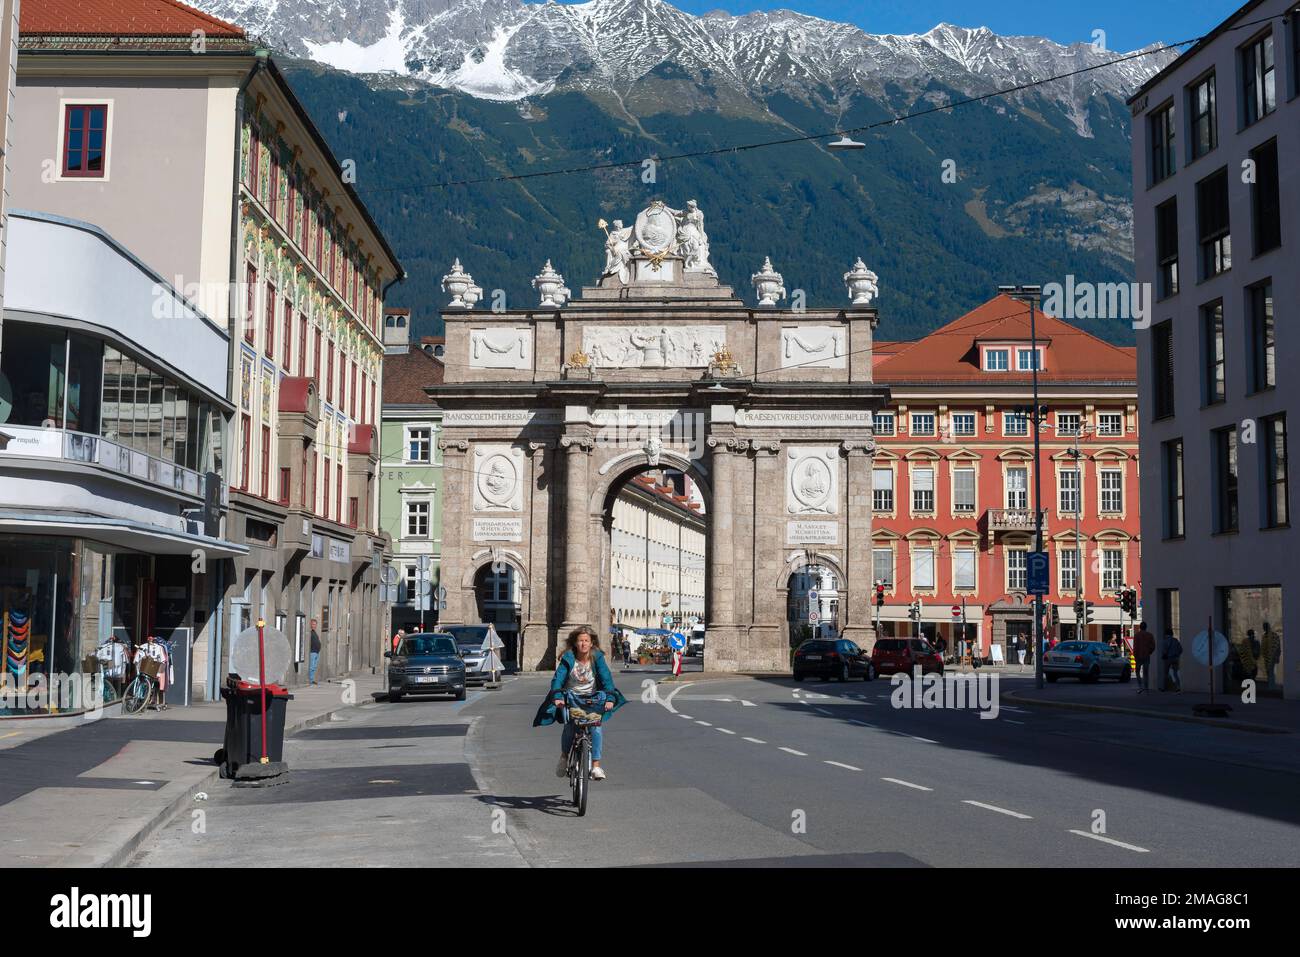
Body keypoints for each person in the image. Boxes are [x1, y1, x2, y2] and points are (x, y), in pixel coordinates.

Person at [533, 625, 627, 781]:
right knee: (569, 726)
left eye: (586, 641)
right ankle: (564, 757)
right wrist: (557, 696)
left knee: (596, 728)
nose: (583, 644)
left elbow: (607, 680)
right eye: (580, 641)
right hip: (572, 698)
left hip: (593, 699)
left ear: (591, 643)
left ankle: (596, 766)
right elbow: (558, 679)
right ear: (575, 643)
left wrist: (610, 699)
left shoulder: (597, 657)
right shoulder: (568, 658)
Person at [1133, 621, 1156, 693]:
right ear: (1146, 627)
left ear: (1140, 627)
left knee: (1137, 671)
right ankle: (1146, 687)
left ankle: (1140, 686)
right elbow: (1153, 646)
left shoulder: (1137, 635)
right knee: (1146, 672)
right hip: (1146, 655)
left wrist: (1135, 655)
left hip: (1138, 656)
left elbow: (1135, 646)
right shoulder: (1150, 635)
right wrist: (1149, 652)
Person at [1261, 622, 1280, 690]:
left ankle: (1271, 686)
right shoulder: (1264, 636)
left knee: (1271, 671)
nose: (1264, 628)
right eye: (1264, 627)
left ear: (1268, 627)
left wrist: (1277, 657)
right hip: (1266, 657)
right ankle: (1270, 685)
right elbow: (1262, 647)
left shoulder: (1274, 635)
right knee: (1268, 671)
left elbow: (1278, 647)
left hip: (1272, 657)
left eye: (1266, 626)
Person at [308, 618, 321, 685]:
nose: (314, 626)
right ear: (310, 624)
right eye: (313, 624)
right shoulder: (310, 632)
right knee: (312, 667)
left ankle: (312, 679)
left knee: (314, 667)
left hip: (316, 652)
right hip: (312, 651)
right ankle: (310, 680)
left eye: (315, 624)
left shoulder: (314, 632)